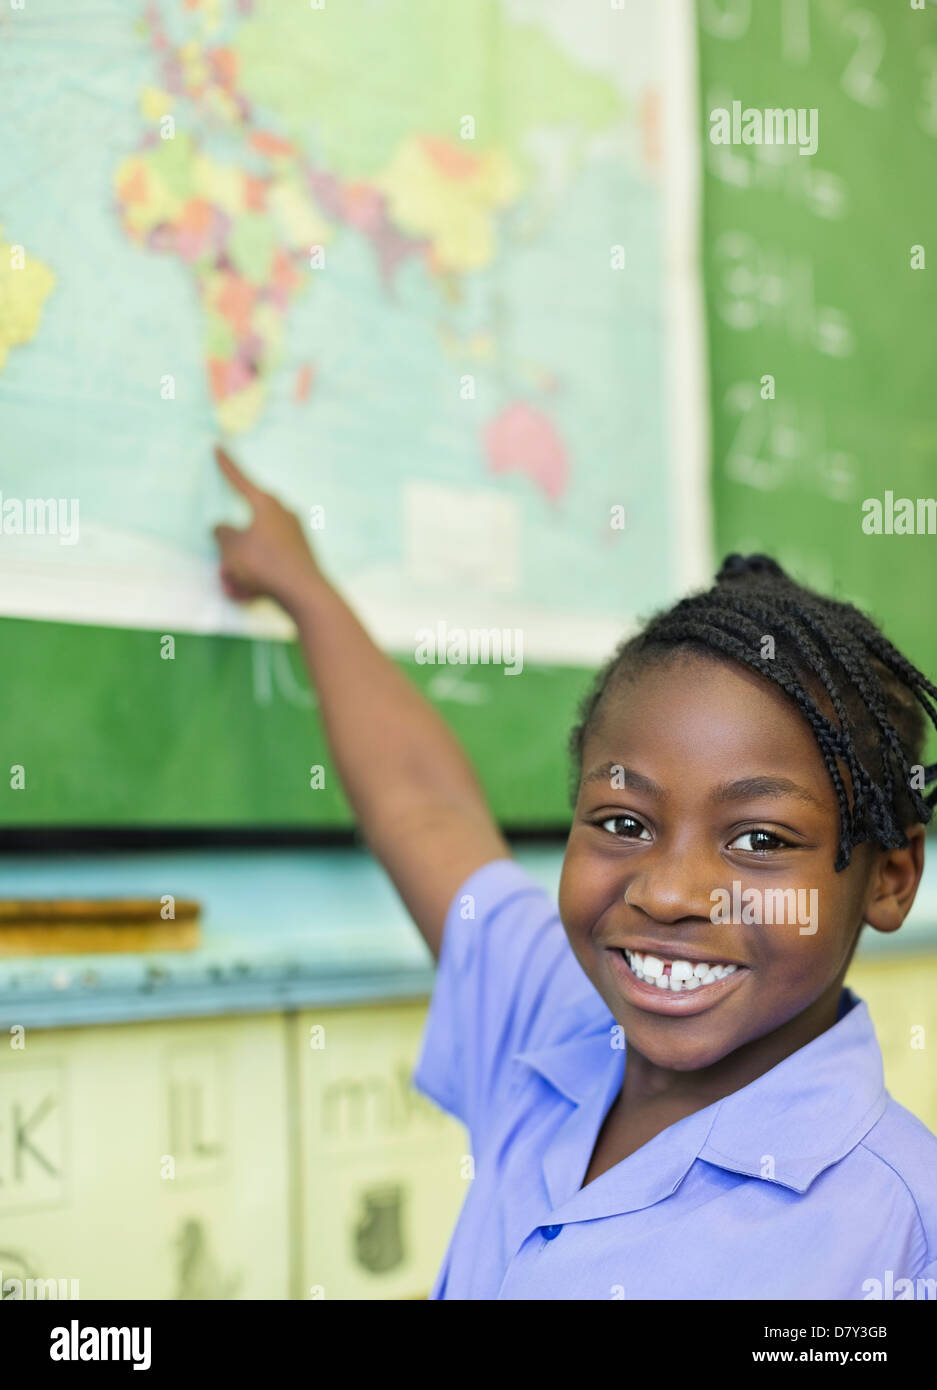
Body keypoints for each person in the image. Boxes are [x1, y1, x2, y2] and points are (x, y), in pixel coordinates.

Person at [213, 447, 937, 1300]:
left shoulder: (893, 1238)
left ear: (889, 879)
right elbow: (422, 807)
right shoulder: (552, 1020)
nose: (666, 893)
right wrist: (305, 589)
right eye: (624, 823)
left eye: (760, 840)